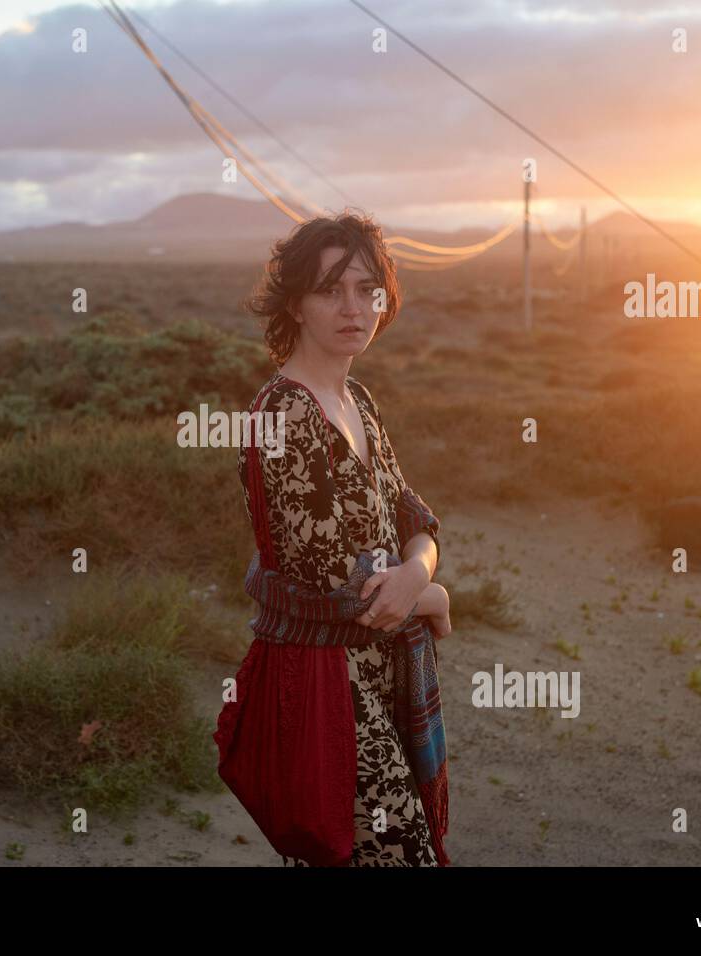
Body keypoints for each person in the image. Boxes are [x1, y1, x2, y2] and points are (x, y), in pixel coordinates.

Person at [233, 210, 452, 866]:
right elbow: (346, 587)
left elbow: (417, 519)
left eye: (366, 289)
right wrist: (434, 599)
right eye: (331, 290)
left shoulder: (358, 399)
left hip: (379, 673)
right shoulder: (283, 414)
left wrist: (417, 575)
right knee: (389, 853)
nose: (353, 307)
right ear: (295, 303)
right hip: (326, 687)